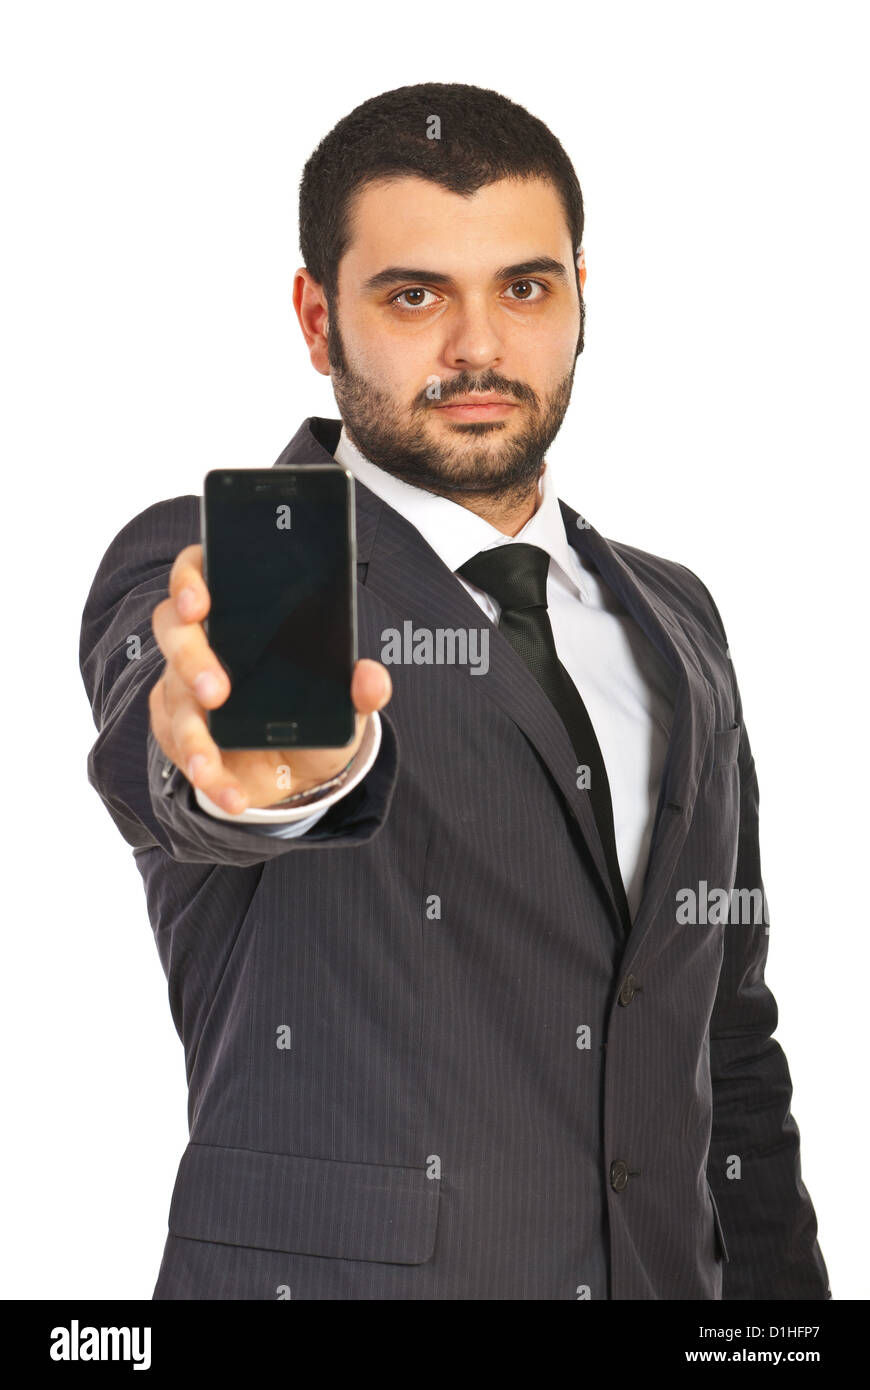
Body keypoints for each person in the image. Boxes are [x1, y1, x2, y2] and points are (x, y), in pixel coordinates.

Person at [79, 81, 830, 1300]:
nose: (479, 346)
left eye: (525, 288)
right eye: (414, 294)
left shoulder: (679, 617)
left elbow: (727, 1038)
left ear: (583, 296)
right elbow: (167, 748)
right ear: (318, 322)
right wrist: (261, 780)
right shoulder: (216, 565)